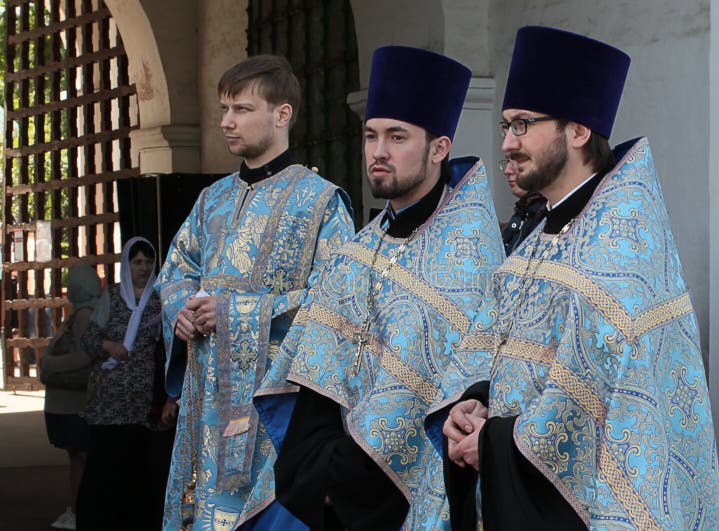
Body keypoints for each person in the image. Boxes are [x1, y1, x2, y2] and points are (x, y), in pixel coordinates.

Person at [427, 26, 719, 529]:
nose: (508, 143)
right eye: (505, 126)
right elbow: (502, 350)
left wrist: (495, 443)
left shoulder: (621, 248)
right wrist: (472, 402)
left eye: (523, 125)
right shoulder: (538, 236)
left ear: (579, 131)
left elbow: (595, 404)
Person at [249, 46, 505, 531]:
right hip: (328, 496)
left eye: (397, 137)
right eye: (371, 135)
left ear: (439, 148)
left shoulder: (471, 263)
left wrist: (353, 477)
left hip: (401, 503)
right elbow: (312, 385)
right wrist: (323, 478)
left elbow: (453, 395)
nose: (378, 152)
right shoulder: (354, 254)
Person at [155, 54, 355, 530]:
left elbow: (338, 303)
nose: (226, 122)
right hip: (205, 399)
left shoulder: (321, 201)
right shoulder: (212, 199)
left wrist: (235, 312)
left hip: (274, 404)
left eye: (241, 109)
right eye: (224, 109)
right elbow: (177, 269)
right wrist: (180, 308)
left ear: (282, 114)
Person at [76, 237, 168, 530]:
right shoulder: (113, 296)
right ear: (127, 265)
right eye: (137, 262)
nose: (143, 268)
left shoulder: (160, 298)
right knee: (106, 468)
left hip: (142, 403)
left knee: (138, 470)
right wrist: (109, 345)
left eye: (148, 262)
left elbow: (167, 346)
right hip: (108, 402)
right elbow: (88, 338)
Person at [39, 264, 102, 530]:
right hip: (69, 404)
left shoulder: (85, 315)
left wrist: (49, 364)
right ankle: (79, 510)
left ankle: (80, 512)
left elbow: (85, 357)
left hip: (74, 404)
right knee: (78, 457)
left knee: (80, 459)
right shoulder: (85, 312)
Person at [499, 158, 546, 256]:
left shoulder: (547, 215)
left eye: (516, 161)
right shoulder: (524, 211)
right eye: (508, 162)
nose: (507, 171)